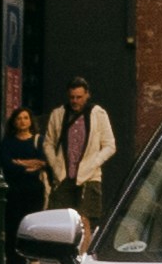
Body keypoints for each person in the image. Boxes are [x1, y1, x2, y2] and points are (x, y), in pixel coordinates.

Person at [0, 105, 48, 264]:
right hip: (13, 189)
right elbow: (6, 164)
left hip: (33, 188)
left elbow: (43, 162)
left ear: (31, 121)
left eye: (26, 118)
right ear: (14, 122)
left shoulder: (38, 140)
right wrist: (28, 165)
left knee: (33, 224)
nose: (22, 121)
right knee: (13, 224)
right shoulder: (8, 142)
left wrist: (20, 162)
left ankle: (33, 255)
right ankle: (16, 261)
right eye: (19, 118)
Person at [41, 77, 119, 218]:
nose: (75, 101)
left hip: (89, 177)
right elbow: (48, 143)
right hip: (63, 176)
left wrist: (94, 163)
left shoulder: (98, 114)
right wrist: (55, 165)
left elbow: (110, 145)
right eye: (72, 97)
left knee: (86, 221)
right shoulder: (58, 114)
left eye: (79, 97)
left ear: (87, 95)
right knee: (60, 220)